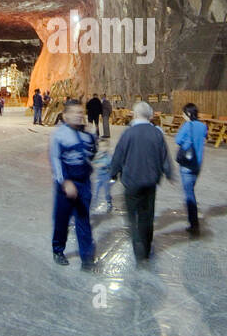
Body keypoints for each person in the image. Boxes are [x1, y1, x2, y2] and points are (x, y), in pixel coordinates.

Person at [109, 101, 175, 262]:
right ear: (150, 115)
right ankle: (146, 247)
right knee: (147, 215)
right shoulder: (157, 133)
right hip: (150, 182)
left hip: (131, 181)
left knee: (133, 215)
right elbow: (164, 156)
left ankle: (137, 244)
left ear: (135, 114)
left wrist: (112, 173)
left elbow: (119, 155)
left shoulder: (128, 134)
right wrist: (169, 173)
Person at [49, 99, 98, 269]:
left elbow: (91, 155)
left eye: (80, 112)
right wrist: (64, 182)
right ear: (65, 115)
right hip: (66, 184)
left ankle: (86, 257)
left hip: (83, 182)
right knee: (62, 219)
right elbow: (55, 158)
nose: (79, 116)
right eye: (75, 112)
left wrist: (94, 138)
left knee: (83, 220)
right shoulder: (60, 134)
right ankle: (58, 249)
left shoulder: (86, 133)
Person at [174, 102, 207, 236]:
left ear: (188, 113)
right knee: (191, 189)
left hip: (187, 165)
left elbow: (177, 140)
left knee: (189, 194)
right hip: (198, 163)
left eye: (183, 113)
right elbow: (203, 137)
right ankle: (193, 219)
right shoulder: (203, 126)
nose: (182, 116)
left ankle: (194, 223)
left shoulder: (187, 126)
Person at [92, 140, 114, 213]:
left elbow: (109, 163)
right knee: (96, 190)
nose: (102, 148)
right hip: (99, 176)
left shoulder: (108, 156)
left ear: (107, 147)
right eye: (101, 146)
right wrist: (94, 164)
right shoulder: (98, 155)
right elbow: (94, 162)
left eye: (104, 146)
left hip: (106, 176)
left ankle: (109, 203)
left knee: (107, 191)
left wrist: (103, 165)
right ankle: (94, 204)